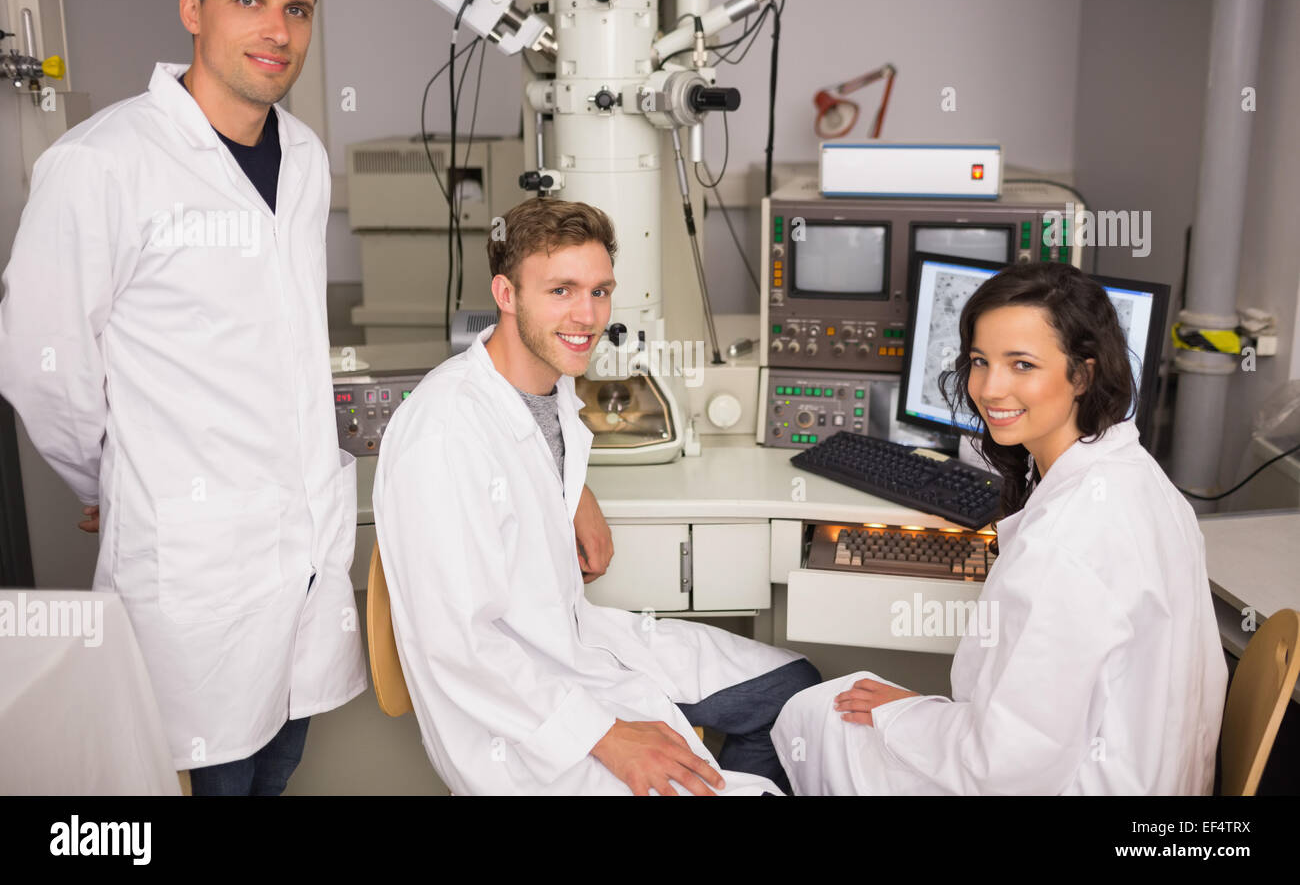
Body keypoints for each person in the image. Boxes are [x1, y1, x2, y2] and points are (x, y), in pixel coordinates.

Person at [0, 0, 367, 795]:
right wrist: (109, 478)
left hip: (303, 557)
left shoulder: (306, 158)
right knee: (199, 780)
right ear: (193, 10)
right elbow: (39, 364)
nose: (276, 28)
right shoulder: (102, 163)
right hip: (194, 576)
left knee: (279, 765)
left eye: (296, 9)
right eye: (249, 1)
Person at [373, 198, 820, 795]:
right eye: (561, 291)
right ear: (505, 295)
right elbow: (458, 647)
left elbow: (533, 455)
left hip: (575, 643)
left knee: (793, 693)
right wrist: (608, 735)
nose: (587, 315)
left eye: (600, 290)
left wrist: (574, 489)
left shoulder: (546, 383)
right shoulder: (444, 433)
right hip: (517, 728)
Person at [773, 262, 1228, 795]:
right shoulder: (1138, 476)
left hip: (1062, 783)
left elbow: (1007, 769)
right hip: (1140, 779)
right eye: (980, 361)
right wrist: (920, 714)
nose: (991, 388)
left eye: (1022, 365)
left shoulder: (1066, 541)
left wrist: (907, 716)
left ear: (1082, 373)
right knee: (845, 711)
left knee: (820, 714)